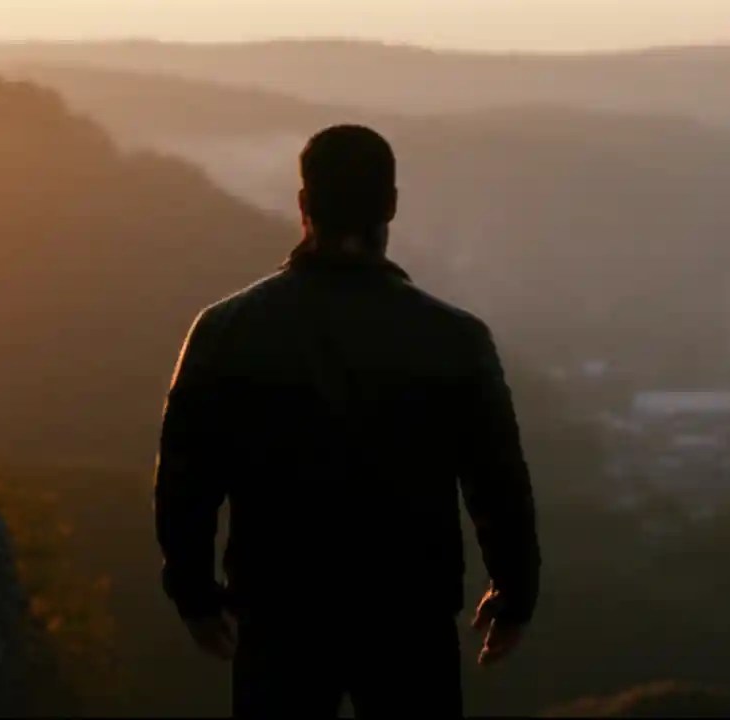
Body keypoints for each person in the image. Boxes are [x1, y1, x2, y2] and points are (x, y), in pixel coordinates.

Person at [154, 125, 541, 718]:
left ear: (304, 204)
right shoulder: (455, 340)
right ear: (390, 204)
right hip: (410, 611)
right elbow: (497, 480)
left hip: (278, 608)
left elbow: (186, 478)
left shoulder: (225, 330)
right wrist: (514, 591)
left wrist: (194, 593)